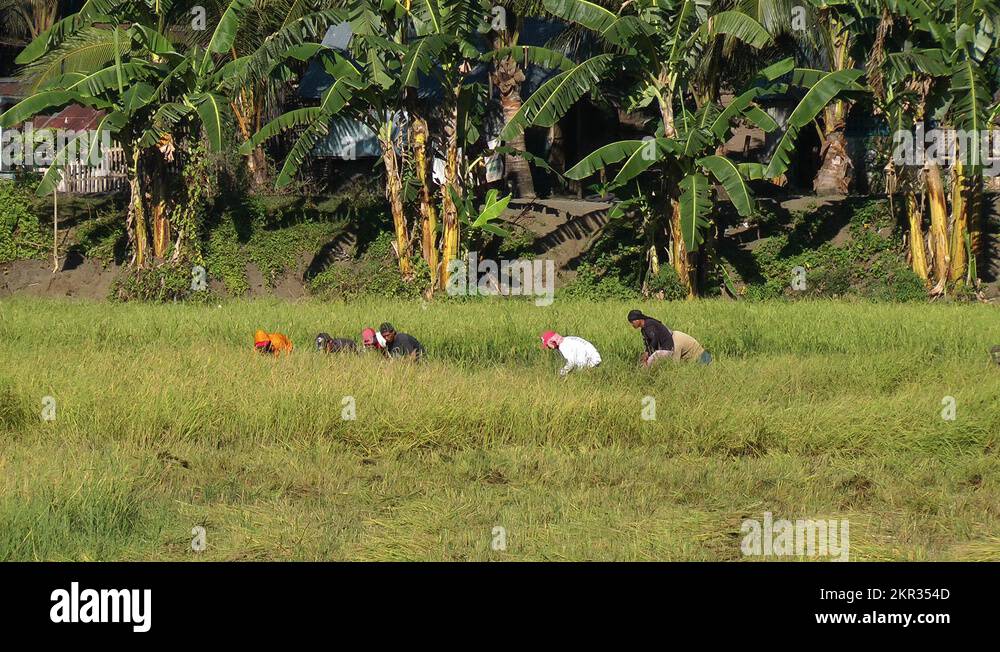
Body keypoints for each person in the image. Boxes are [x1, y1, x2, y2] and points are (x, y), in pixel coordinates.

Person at [627, 310, 711, 365]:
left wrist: (647, 353)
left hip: (685, 346)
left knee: (673, 365)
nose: (632, 324)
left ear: (638, 319)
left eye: (632, 321)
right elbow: (650, 342)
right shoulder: (645, 328)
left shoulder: (649, 325)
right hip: (677, 341)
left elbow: (654, 340)